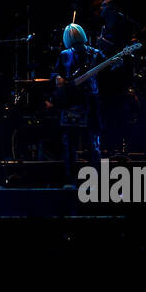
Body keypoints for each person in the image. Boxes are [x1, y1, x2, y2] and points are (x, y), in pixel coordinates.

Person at [50, 23, 104, 177]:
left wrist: (117, 64)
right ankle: (71, 179)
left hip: (90, 101)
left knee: (93, 144)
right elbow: (55, 73)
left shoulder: (95, 53)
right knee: (70, 144)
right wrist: (59, 78)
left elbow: (109, 71)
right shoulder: (64, 54)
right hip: (71, 102)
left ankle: (95, 179)